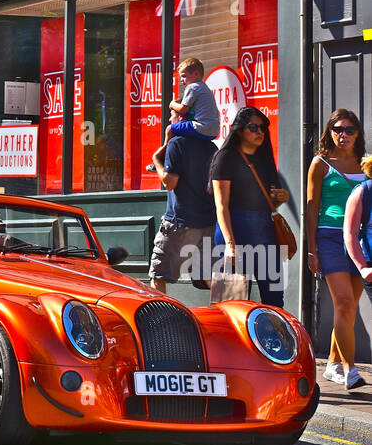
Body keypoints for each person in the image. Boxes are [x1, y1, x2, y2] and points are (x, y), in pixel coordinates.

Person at [307, 109, 366, 390]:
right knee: (343, 303)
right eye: (338, 129)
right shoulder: (320, 164)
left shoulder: (365, 163)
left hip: (359, 239)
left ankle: (331, 364)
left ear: (358, 133)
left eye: (350, 129)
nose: (344, 135)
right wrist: (311, 249)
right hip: (329, 236)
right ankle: (350, 370)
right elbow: (311, 207)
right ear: (329, 132)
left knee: (350, 307)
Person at [210, 106, 289, 305]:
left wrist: (282, 197)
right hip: (234, 226)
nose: (259, 132)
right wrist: (230, 244)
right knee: (233, 298)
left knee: (274, 296)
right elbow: (221, 205)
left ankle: (273, 336)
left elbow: (272, 203)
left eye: (262, 128)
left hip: (263, 227)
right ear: (239, 129)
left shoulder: (265, 158)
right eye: (253, 127)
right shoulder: (225, 158)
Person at [148, 109, 217, 293]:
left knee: (157, 276)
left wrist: (156, 160)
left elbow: (169, 182)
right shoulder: (212, 147)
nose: (169, 120)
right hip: (207, 223)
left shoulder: (176, 143)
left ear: (181, 119)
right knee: (209, 277)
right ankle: (226, 315)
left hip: (179, 222)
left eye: (171, 116)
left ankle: (161, 320)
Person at [166, 58, 220, 142]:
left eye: (184, 76)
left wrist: (172, 104)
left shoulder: (192, 87)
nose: (181, 80)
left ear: (196, 74)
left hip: (201, 127)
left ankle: (163, 151)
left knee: (170, 129)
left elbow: (183, 109)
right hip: (213, 131)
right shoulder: (204, 87)